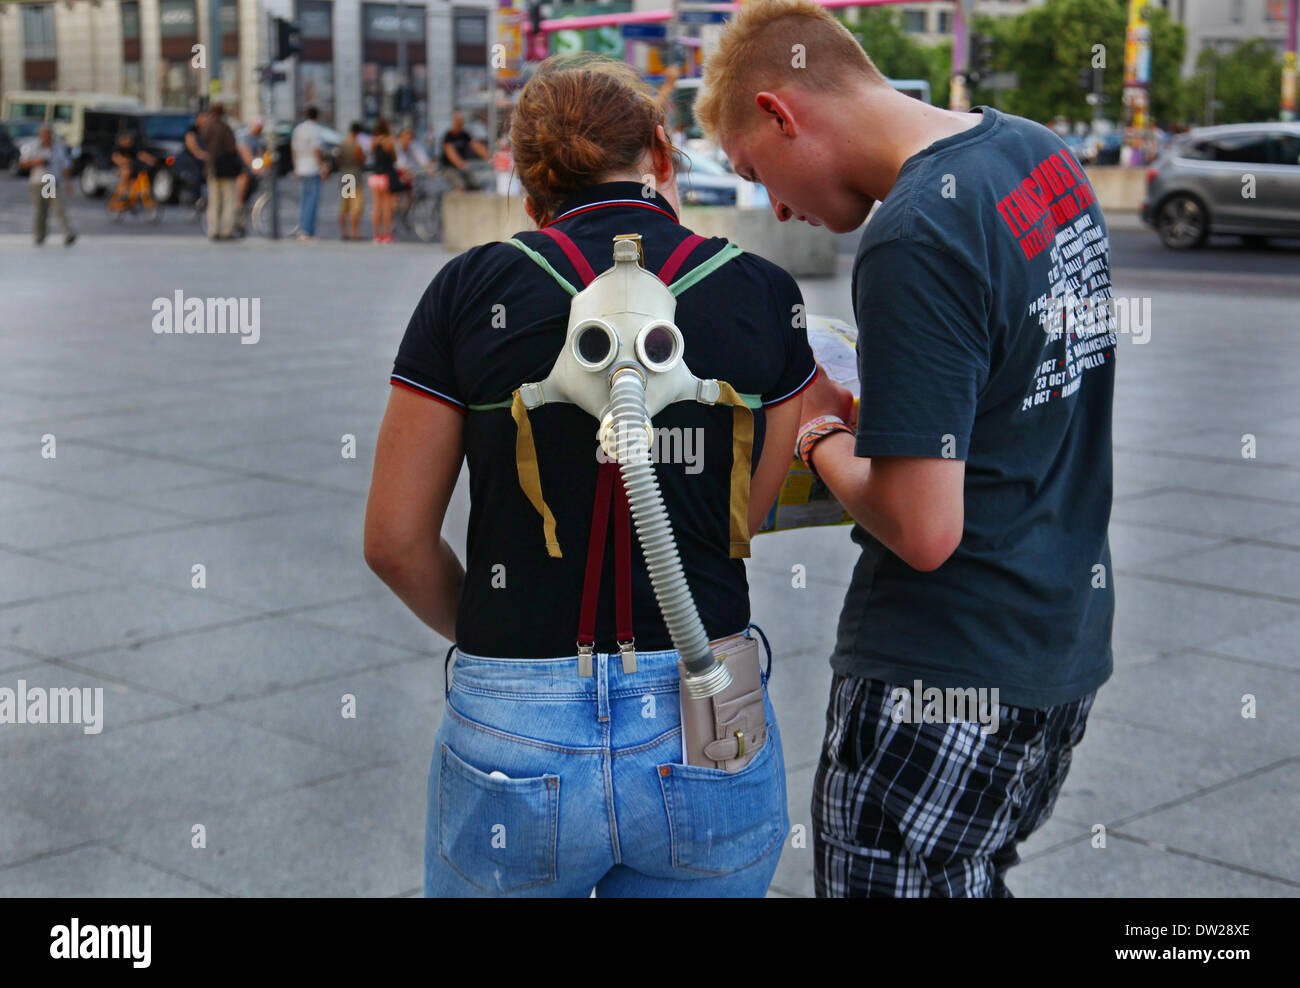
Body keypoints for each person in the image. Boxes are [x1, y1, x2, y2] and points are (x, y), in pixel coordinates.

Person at [363, 52, 819, 897]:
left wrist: (497, 644)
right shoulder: (761, 292)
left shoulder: (468, 291)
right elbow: (740, 526)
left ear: (528, 185)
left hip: (515, 723)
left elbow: (394, 541)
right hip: (704, 709)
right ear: (659, 149)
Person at [694, 0, 1116, 897]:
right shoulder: (1039, 154)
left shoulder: (915, 233)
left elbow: (924, 530)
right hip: (1057, 648)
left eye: (754, 170)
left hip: (942, 668)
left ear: (779, 112)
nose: (773, 204)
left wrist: (821, 429)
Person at [21, 125, 76, 246]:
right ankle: (39, 236)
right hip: (38, 182)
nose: (46, 137)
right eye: (44, 135)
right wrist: (36, 162)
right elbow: (22, 163)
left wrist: (69, 182)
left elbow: (65, 165)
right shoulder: (33, 147)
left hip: (51, 182)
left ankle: (67, 234)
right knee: (40, 211)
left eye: (48, 134)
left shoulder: (58, 148)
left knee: (59, 209)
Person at [203, 103, 243, 240]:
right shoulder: (225, 128)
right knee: (228, 200)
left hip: (211, 167)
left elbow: (203, 144)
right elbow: (232, 148)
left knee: (213, 201)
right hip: (226, 168)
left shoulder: (206, 127)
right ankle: (226, 231)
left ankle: (213, 230)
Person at [291, 106, 327, 240]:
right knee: (312, 201)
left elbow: (293, 150)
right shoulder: (315, 130)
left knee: (303, 201)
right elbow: (316, 150)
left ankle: (302, 229)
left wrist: (295, 167)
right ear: (317, 116)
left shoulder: (298, 129)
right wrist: (323, 166)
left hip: (301, 167)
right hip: (312, 168)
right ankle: (308, 230)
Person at [235, 115, 269, 232]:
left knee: (250, 193)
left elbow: (261, 153)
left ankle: (242, 222)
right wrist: (254, 167)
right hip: (240, 167)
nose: (259, 130)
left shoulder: (260, 137)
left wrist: (262, 166)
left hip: (251, 169)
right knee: (243, 179)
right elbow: (245, 154)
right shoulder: (243, 135)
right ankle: (238, 204)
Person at [367, 119, 399, 244]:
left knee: (376, 207)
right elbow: (395, 158)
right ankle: (387, 235)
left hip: (375, 176)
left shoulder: (373, 142)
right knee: (387, 207)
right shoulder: (389, 142)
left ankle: (376, 235)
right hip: (386, 176)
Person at [439, 110, 489, 190]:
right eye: (459, 122)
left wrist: (489, 158)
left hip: (461, 167)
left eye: (462, 122)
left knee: (475, 184)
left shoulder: (464, 135)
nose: (461, 124)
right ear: (454, 122)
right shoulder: (448, 136)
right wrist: (460, 163)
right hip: (448, 168)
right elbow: (450, 151)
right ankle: (454, 201)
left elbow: (475, 145)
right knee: (460, 185)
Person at [109, 128, 157, 209]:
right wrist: (123, 162)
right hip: (119, 168)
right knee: (126, 172)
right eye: (126, 139)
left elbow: (141, 154)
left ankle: (131, 201)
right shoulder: (118, 148)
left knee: (137, 180)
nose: (129, 142)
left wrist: (150, 160)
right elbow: (115, 157)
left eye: (130, 140)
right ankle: (118, 197)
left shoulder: (132, 147)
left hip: (133, 168)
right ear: (121, 140)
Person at [336, 122, 368, 241]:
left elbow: (338, 160)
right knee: (355, 206)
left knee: (344, 206)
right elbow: (362, 160)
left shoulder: (342, 143)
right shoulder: (357, 145)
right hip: (355, 175)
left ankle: (344, 232)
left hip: (345, 175)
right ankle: (355, 233)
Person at [182, 110, 209, 204]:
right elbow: (195, 151)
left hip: (205, 159)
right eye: (203, 119)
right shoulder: (191, 133)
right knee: (197, 175)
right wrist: (208, 156)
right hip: (193, 161)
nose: (205, 122)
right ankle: (196, 199)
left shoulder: (207, 132)